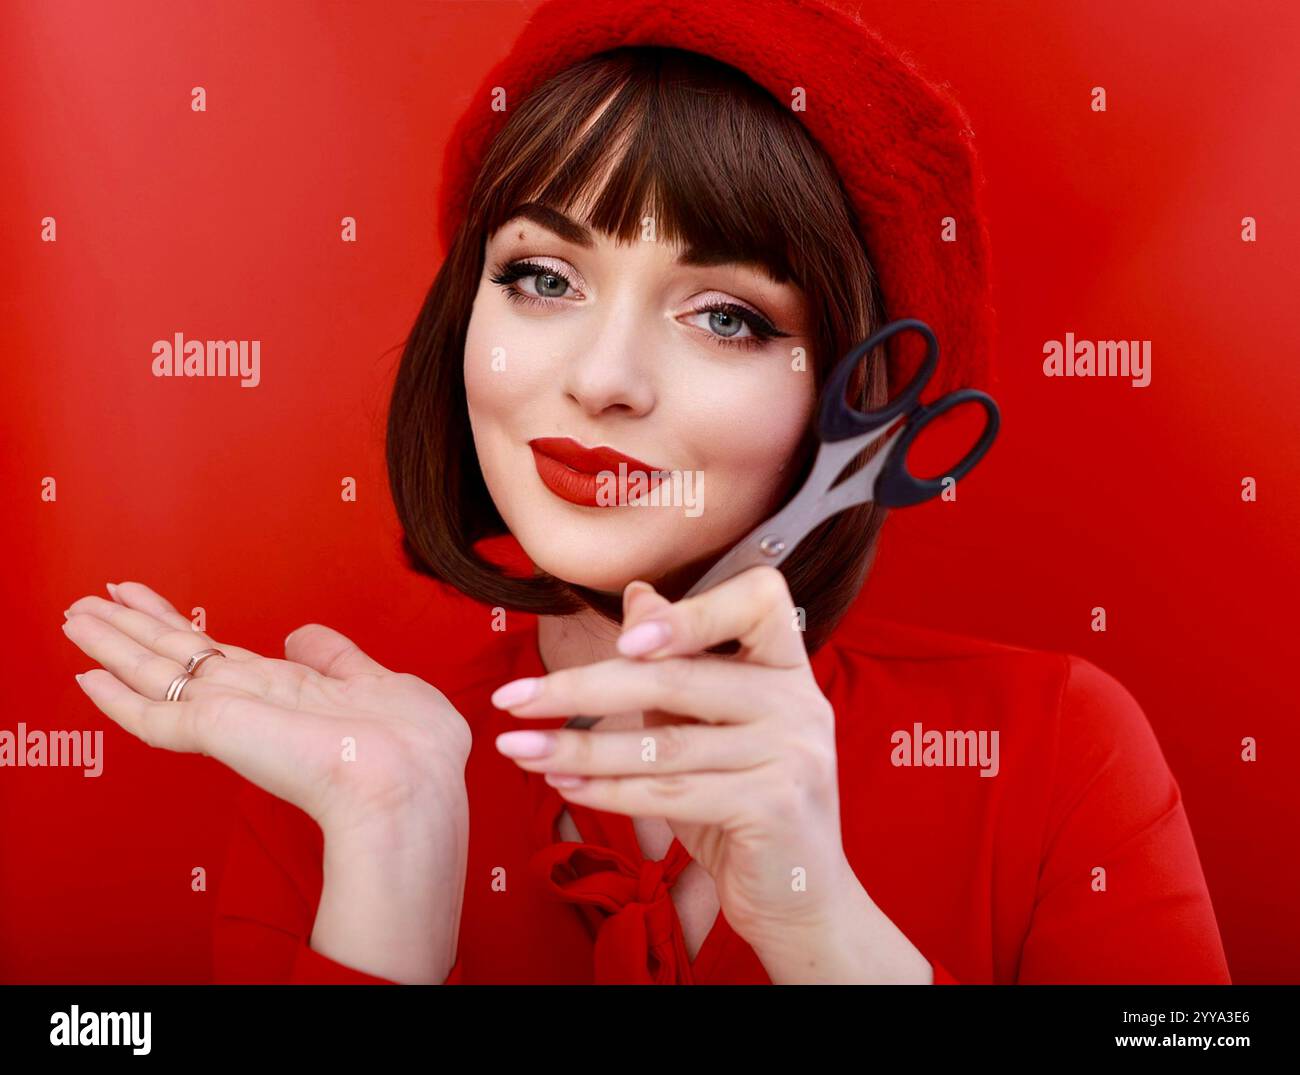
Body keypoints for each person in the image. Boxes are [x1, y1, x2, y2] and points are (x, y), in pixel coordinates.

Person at [60, 0, 1231, 984]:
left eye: (724, 315)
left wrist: (828, 935)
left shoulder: (1054, 752)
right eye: (541, 275)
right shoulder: (327, 777)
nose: (603, 379)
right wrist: (386, 853)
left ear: (853, 401)